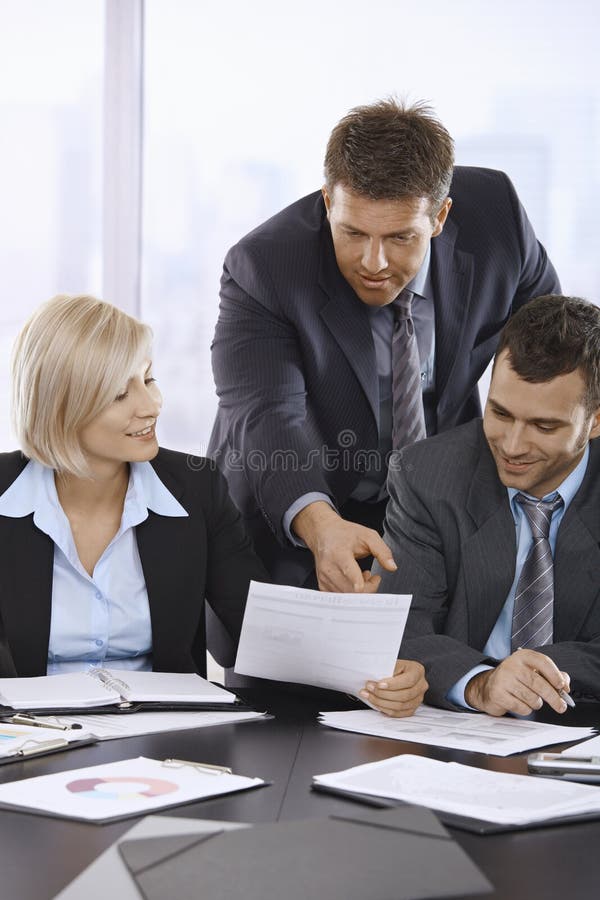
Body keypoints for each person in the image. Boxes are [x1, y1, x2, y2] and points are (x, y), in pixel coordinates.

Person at [208, 98, 560, 603]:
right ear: (329, 202)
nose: (374, 262)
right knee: (288, 679)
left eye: (400, 237)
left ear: (440, 216)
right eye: (353, 233)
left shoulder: (496, 217)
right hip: (294, 509)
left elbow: (553, 355)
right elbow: (266, 414)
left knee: (429, 674)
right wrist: (320, 524)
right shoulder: (265, 266)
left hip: (439, 510)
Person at [0, 294, 268, 678]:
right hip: (32, 733)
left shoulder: (196, 487)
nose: (152, 406)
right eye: (120, 393)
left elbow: (260, 628)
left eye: (148, 379)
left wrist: (368, 667)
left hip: (158, 730)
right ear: (60, 407)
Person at [372, 294, 600, 717]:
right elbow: (399, 625)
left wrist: (527, 677)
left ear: (596, 420)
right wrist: (480, 682)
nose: (512, 446)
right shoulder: (427, 475)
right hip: (458, 732)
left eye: (543, 426)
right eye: (500, 413)